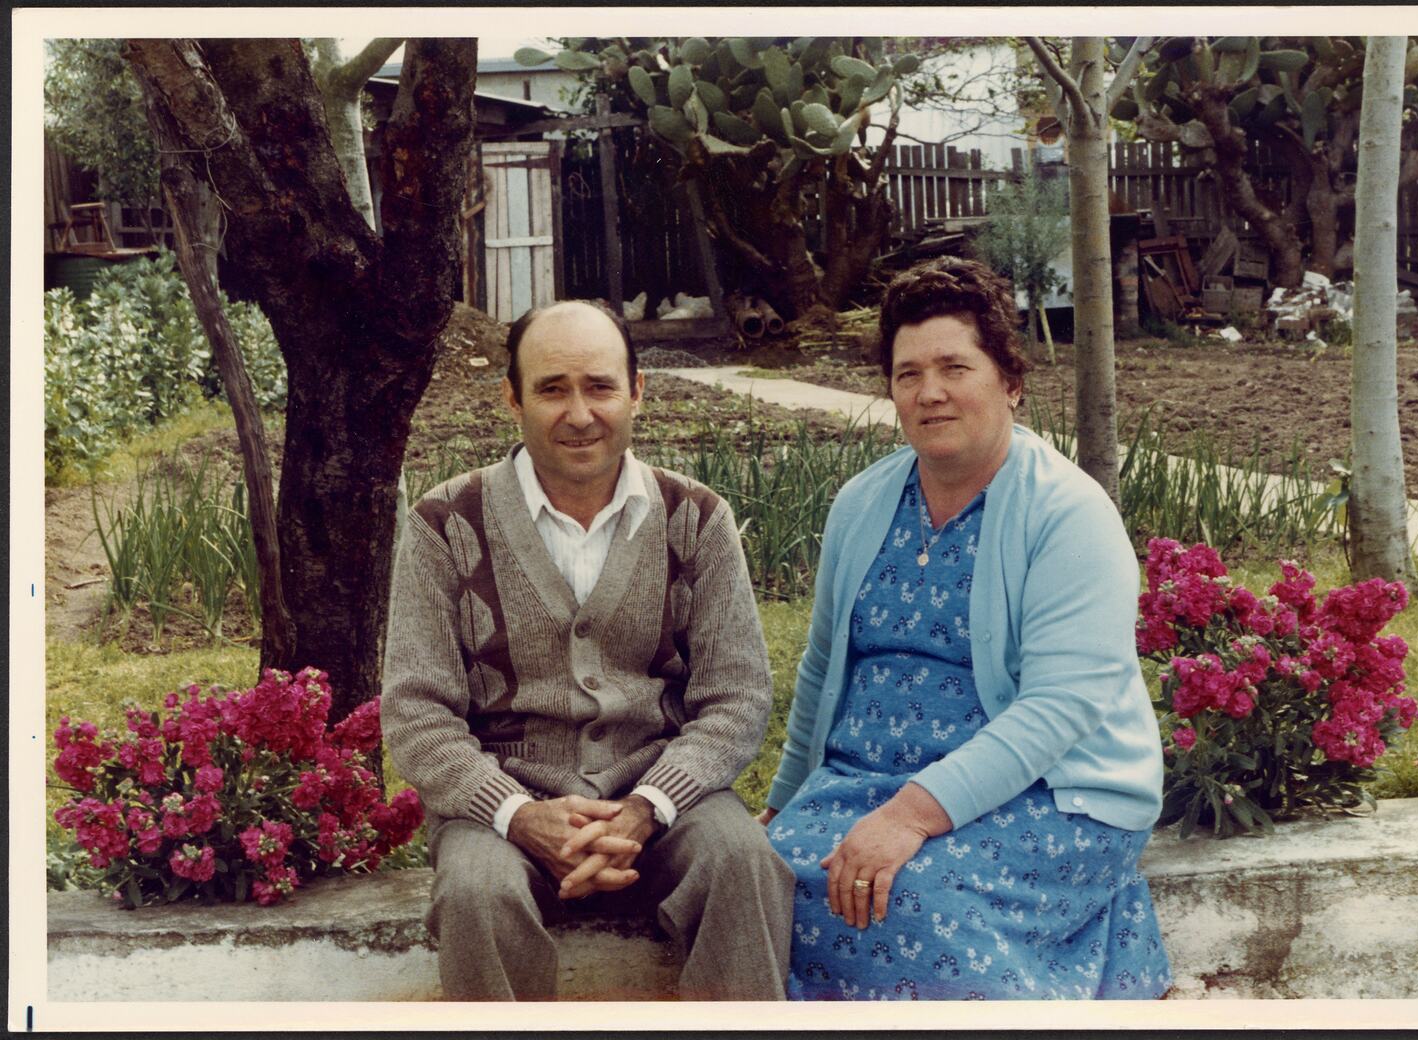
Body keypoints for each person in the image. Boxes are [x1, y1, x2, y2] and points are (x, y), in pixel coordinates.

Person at [759, 258, 1171, 1000]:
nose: (930, 392)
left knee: (907, 900)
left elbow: (1060, 708)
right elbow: (824, 667)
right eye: (907, 373)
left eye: (955, 366)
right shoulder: (860, 503)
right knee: (761, 882)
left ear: (1009, 381)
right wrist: (787, 800)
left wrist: (912, 818)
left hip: (1048, 797)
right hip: (860, 790)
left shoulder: (1067, 514)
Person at [383, 299, 794, 1001]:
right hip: (501, 807)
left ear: (637, 391)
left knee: (743, 863)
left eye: (600, 386)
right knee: (479, 895)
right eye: (552, 388)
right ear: (512, 398)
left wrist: (646, 807)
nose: (579, 413)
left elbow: (738, 696)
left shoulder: (696, 517)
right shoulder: (443, 523)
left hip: (667, 800)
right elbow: (418, 712)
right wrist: (518, 814)